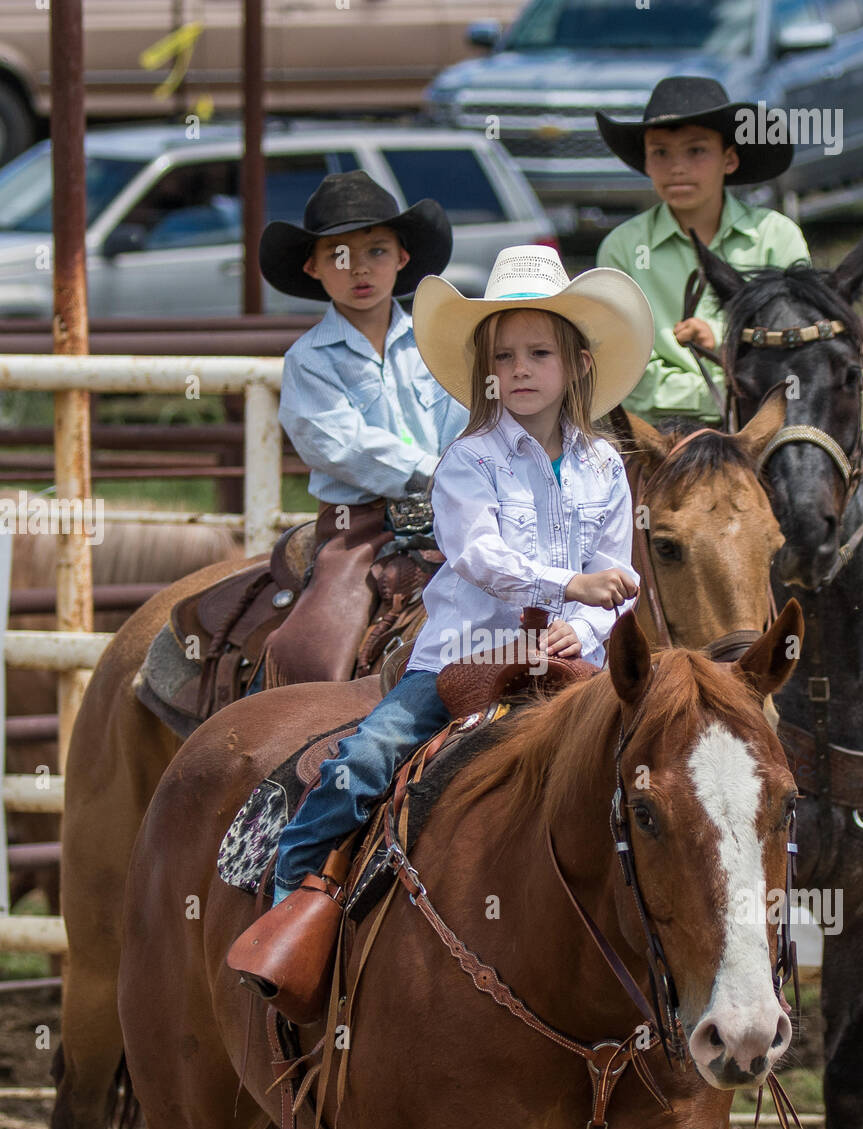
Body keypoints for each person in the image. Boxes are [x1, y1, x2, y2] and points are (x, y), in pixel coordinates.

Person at [269, 244, 654, 905]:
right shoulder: (468, 460)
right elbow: (477, 555)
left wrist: (583, 623)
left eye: (539, 353)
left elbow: (615, 573)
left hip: (572, 657)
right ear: (486, 373)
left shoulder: (604, 466)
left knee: (660, 766)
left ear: (578, 363)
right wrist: (567, 588)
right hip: (467, 652)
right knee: (367, 757)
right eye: (503, 357)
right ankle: (286, 892)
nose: (520, 370)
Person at [258, 170, 469, 681]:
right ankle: (301, 731)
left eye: (376, 250)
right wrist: (431, 470)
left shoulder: (437, 342)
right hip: (360, 528)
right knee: (321, 644)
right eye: (339, 255)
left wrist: (464, 471)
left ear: (402, 259)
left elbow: (464, 415)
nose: (360, 269)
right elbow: (336, 442)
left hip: (458, 510)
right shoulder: (307, 359)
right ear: (313, 267)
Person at [595, 76, 810, 432]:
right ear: (645, 164)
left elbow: (796, 346)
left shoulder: (776, 236)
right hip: (659, 438)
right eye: (660, 153)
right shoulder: (622, 249)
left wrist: (724, 341)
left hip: (763, 431)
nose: (677, 167)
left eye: (696, 151)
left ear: (729, 159)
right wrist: (724, 391)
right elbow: (623, 369)